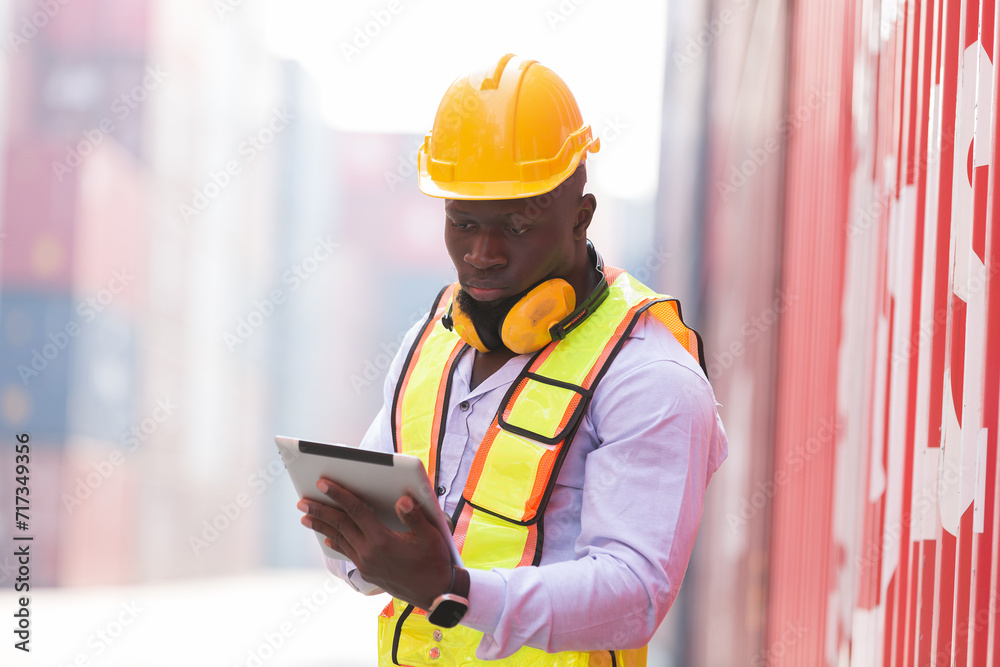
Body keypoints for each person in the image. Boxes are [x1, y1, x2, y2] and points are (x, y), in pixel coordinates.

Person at [295, 53, 728, 666]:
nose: (483, 254)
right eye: (463, 222)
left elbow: (636, 595)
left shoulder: (649, 376)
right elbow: (364, 564)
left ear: (581, 217)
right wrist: (356, 542)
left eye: (516, 227)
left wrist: (454, 590)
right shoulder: (430, 344)